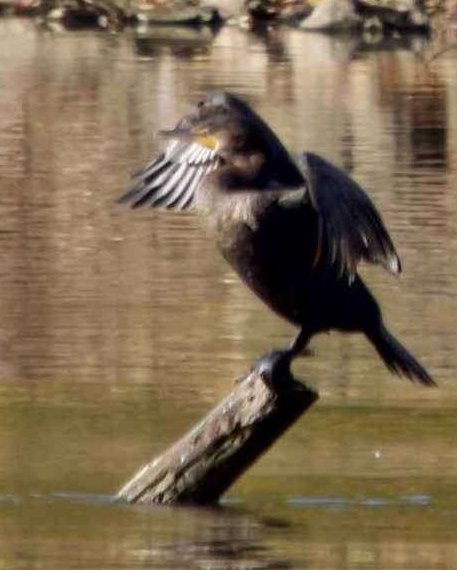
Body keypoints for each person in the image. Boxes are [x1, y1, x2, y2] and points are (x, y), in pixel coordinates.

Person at [118, 93, 431, 381]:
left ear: (237, 145)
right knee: (219, 101)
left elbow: (332, 213)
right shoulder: (234, 186)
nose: (193, 146)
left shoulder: (295, 191)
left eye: (205, 138)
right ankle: (288, 356)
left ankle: (293, 350)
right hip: (311, 297)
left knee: (312, 165)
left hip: (340, 299)